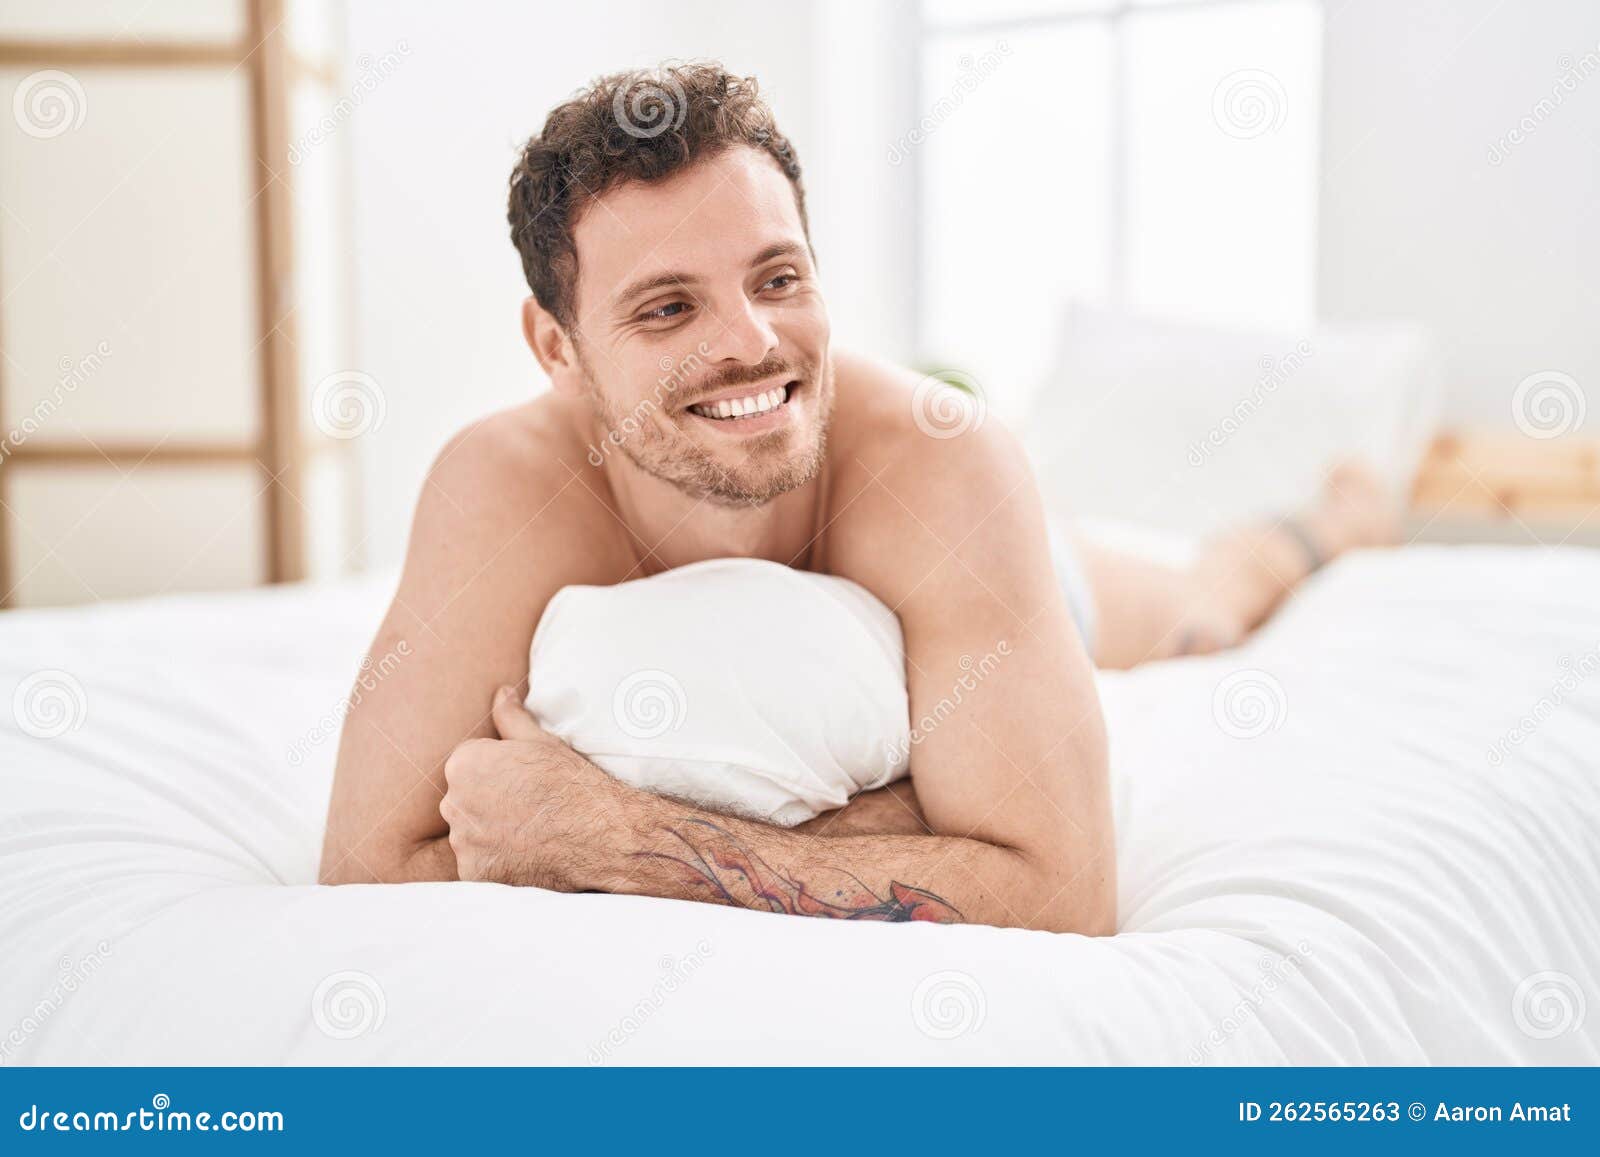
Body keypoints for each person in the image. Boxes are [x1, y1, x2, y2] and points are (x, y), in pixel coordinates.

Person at [318, 63, 1395, 931]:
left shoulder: (946, 462)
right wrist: (905, 821)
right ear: (556, 346)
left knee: (1200, 608)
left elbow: (1063, 895)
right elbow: (365, 861)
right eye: (666, 309)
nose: (749, 343)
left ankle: (1333, 519)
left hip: (1039, 579)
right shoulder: (499, 487)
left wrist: (617, 836)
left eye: (777, 278)